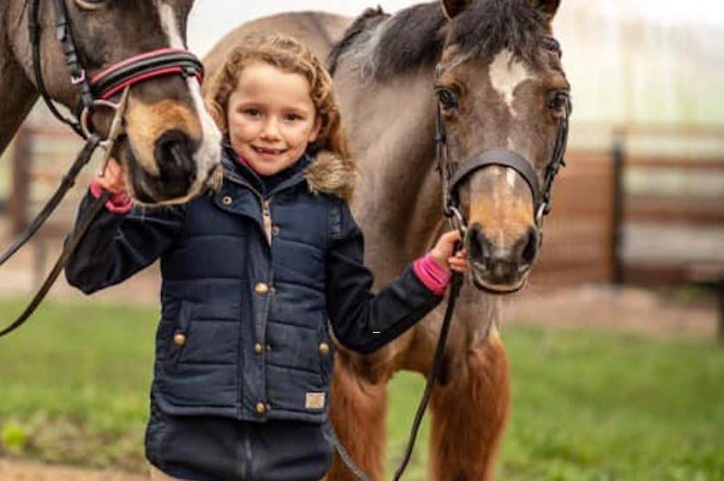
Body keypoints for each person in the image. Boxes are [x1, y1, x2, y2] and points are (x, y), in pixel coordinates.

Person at [65, 33, 469, 481]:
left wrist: (429, 274)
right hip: (191, 445)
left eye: (292, 117)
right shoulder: (188, 196)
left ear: (316, 127)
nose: (270, 132)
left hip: (292, 454)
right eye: (253, 113)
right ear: (222, 112)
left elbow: (361, 328)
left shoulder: (330, 214)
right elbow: (89, 271)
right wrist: (108, 200)